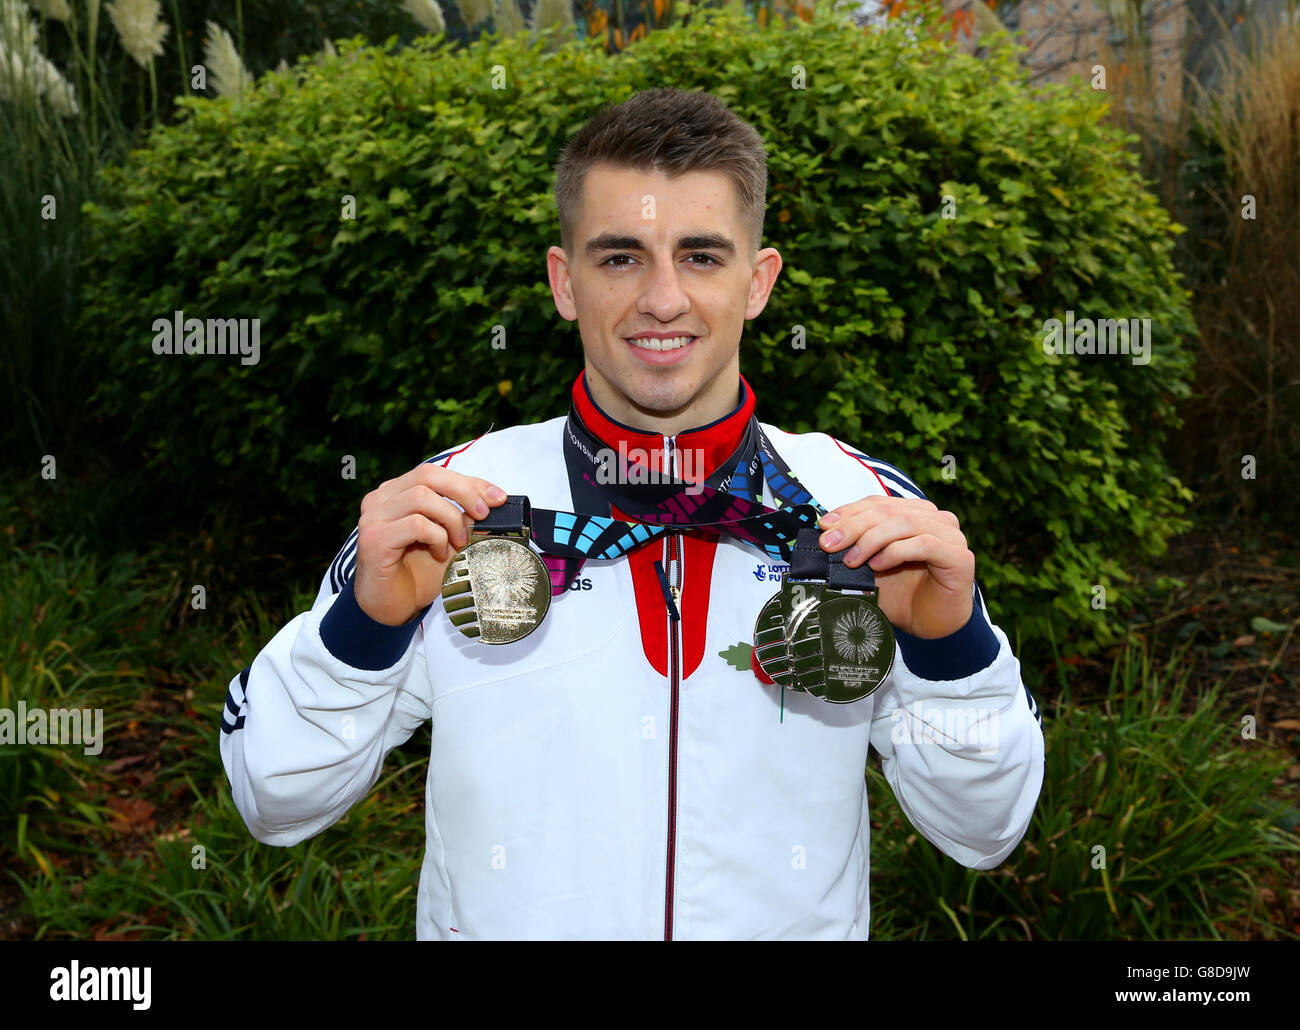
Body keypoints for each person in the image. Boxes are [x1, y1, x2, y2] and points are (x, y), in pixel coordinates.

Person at [219, 87, 1045, 940]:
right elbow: (272, 795)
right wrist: (364, 629)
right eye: (619, 257)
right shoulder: (451, 508)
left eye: (701, 256)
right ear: (563, 281)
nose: (661, 299)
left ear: (758, 282)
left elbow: (986, 830)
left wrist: (949, 651)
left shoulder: (865, 515)